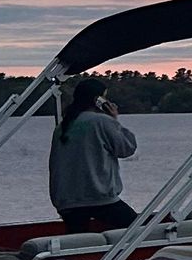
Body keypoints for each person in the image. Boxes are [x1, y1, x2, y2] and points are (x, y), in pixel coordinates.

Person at [50, 77, 140, 232]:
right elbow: (126, 148)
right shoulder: (101, 121)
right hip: (98, 197)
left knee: (78, 240)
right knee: (137, 230)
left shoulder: (62, 127)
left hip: (67, 201)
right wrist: (114, 119)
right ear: (98, 100)